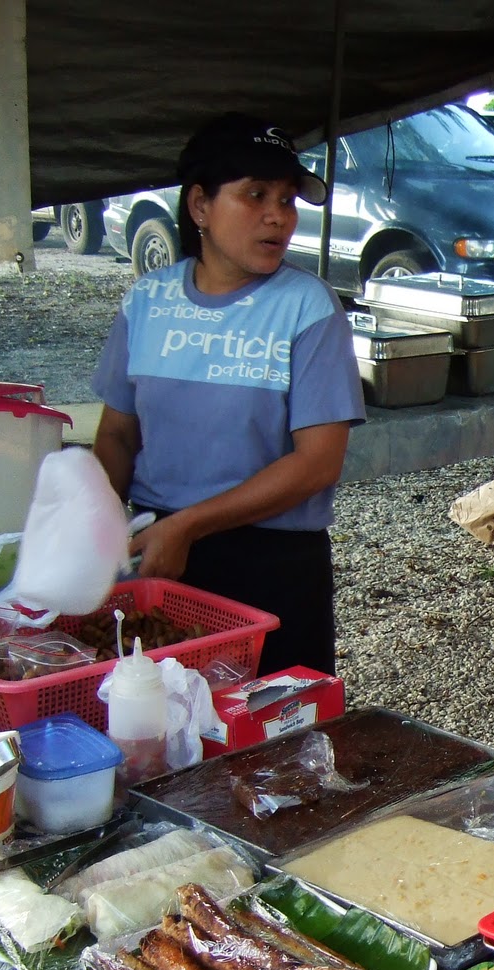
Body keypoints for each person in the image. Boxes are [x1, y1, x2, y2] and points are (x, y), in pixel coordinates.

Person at [92, 114, 365, 675]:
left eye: (288, 199)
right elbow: (118, 434)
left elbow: (317, 463)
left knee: (274, 740)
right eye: (256, 195)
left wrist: (188, 525)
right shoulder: (146, 302)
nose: (278, 216)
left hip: (269, 562)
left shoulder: (308, 309)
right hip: (158, 556)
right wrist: (91, 532)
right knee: (158, 732)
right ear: (199, 207)